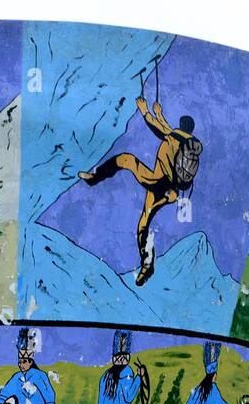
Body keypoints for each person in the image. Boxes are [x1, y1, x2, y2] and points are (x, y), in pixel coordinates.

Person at [78, 96, 203, 285]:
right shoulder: (186, 142)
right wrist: (159, 113)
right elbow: (166, 129)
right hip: (169, 188)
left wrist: (144, 110)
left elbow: (159, 129)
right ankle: (147, 266)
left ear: (181, 125)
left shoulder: (174, 136)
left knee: (126, 160)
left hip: (156, 182)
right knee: (143, 223)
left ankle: (93, 178)